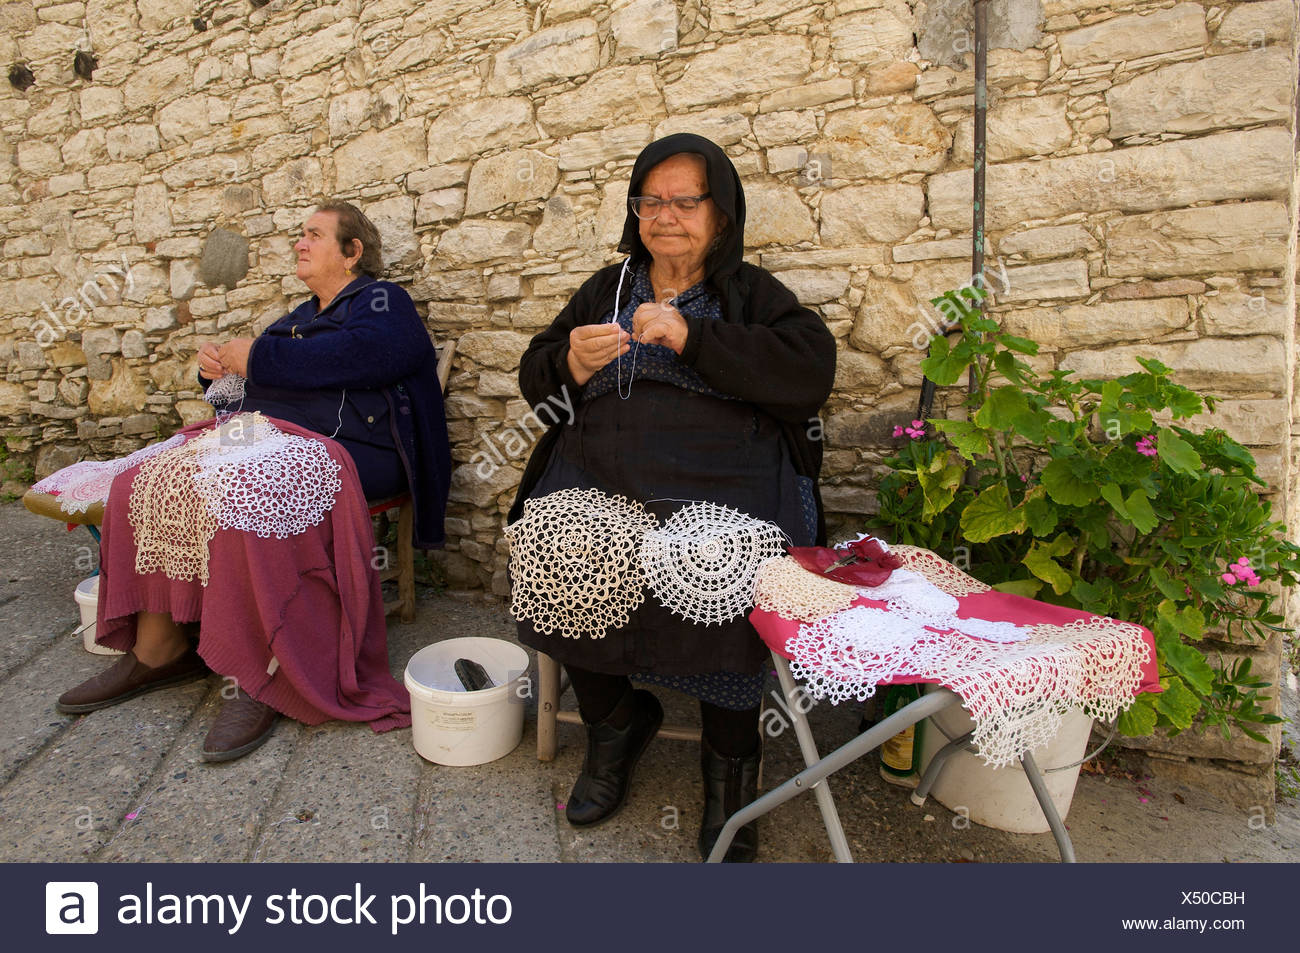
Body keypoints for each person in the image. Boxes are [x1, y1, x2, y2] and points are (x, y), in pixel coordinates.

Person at [509, 134, 837, 861]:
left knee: (725, 552)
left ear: (719, 214)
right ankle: (615, 721)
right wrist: (567, 360)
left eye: (686, 201)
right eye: (650, 201)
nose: (666, 216)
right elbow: (535, 371)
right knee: (556, 537)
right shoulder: (608, 287)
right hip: (605, 474)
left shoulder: (752, 294)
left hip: (726, 480)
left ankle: (731, 764)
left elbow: (809, 371)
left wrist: (695, 336)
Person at [55, 200, 451, 762]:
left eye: (314, 235)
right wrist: (217, 367)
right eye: (301, 235)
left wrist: (257, 357)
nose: (300, 243)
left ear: (353, 251)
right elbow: (255, 385)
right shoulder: (295, 317)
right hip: (269, 438)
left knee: (251, 499)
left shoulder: (382, 303)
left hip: (350, 452)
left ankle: (265, 671)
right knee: (140, 482)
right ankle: (158, 648)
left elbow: (375, 354)